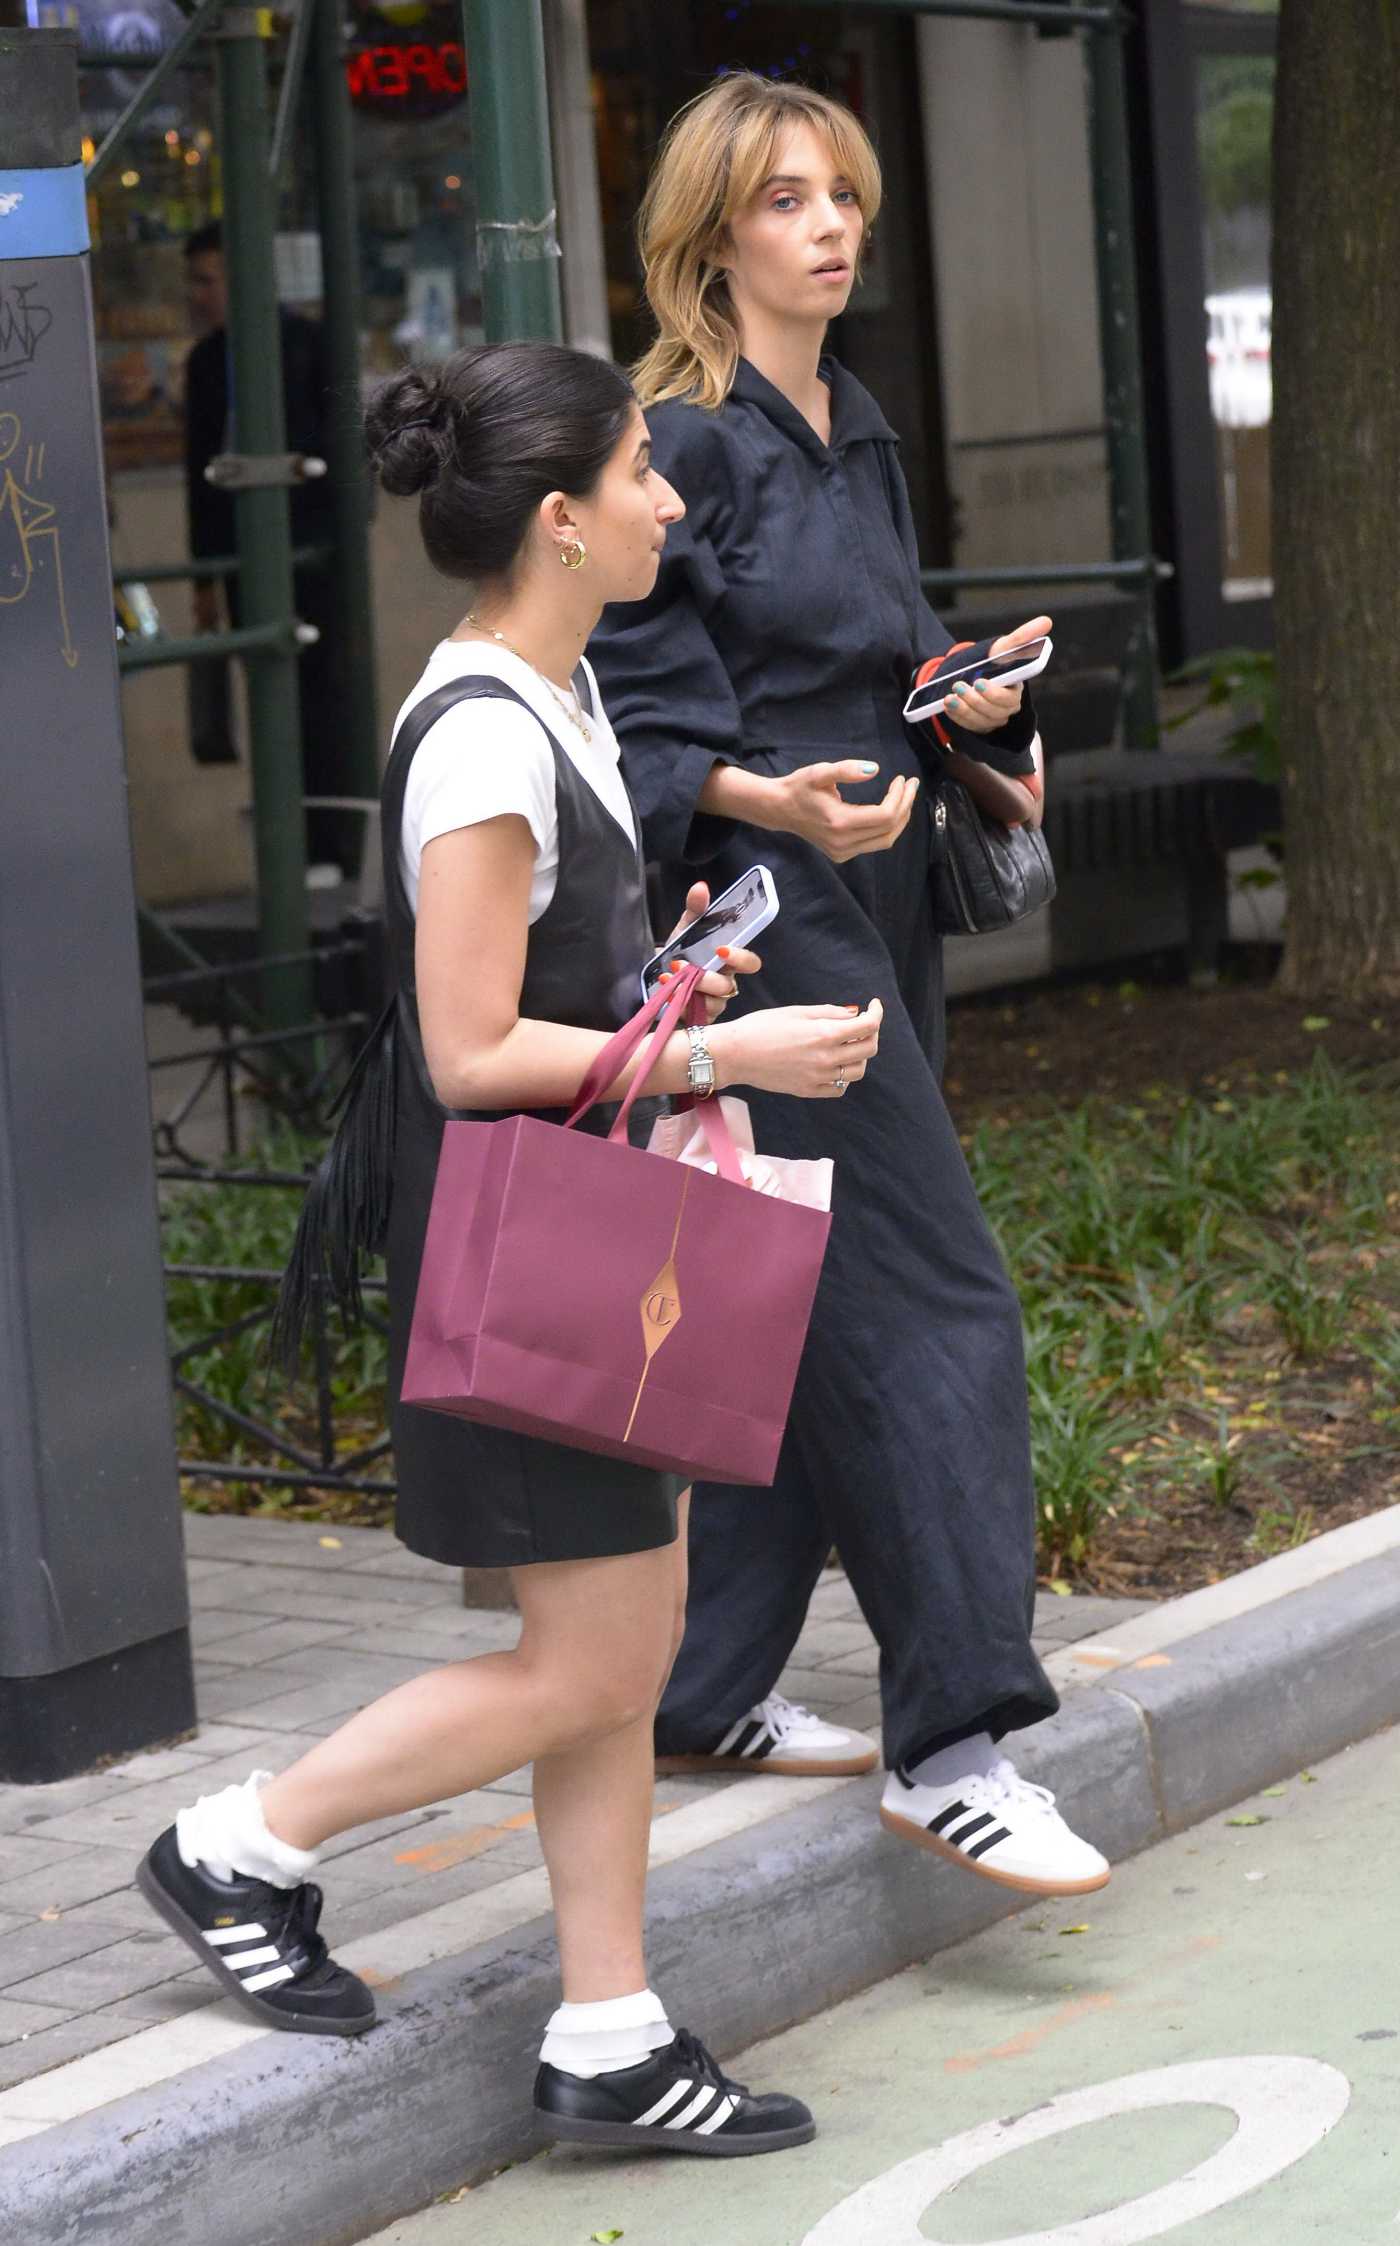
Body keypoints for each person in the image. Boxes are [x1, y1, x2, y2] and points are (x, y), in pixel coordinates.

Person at [138, 340, 884, 2156]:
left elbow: (539, 991)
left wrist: (662, 965)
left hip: (581, 1229)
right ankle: (233, 1847)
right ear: (560, 521)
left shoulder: (548, 695)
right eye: (641, 474)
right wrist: (722, 1047)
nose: (668, 498)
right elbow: (470, 1050)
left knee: (623, 1643)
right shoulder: (484, 735)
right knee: (590, 1663)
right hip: (530, 1240)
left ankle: (613, 2026)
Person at [589, 74, 1109, 1897]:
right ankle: (953, 1733)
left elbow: (868, 647)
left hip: (875, 898)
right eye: (788, 199)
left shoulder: (854, 417)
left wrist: (975, 696)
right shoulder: (683, 437)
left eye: (845, 198)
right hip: (761, 915)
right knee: (937, 1294)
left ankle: (712, 1680)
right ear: (712, 233)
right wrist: (769, 796)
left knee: (792, 1287)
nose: (830, 226)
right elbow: (633, 710)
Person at [182, 223, 356, 878]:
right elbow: (197, 475)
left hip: (308, 550)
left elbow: (342, 453)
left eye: (207, 280)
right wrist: (204, 574)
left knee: (318, 696)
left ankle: (329, 846)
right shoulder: (205, 362)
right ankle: (291, 844)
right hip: (241, 557)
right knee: (268, 696)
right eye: (193, 282)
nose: (197, 296)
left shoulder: (307, 346)